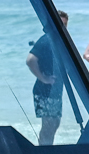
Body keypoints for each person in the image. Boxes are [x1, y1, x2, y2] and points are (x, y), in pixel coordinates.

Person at [28, 12, 71, 145]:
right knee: (49, 125)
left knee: (54, 124)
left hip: (53, 91)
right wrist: (43, 78)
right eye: (59, 24)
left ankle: (46, 149)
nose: (62, 27)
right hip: (44, 90)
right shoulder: (47, 39)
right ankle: (45, 151)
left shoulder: (58, 41)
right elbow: (30, 60)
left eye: (64, 25)